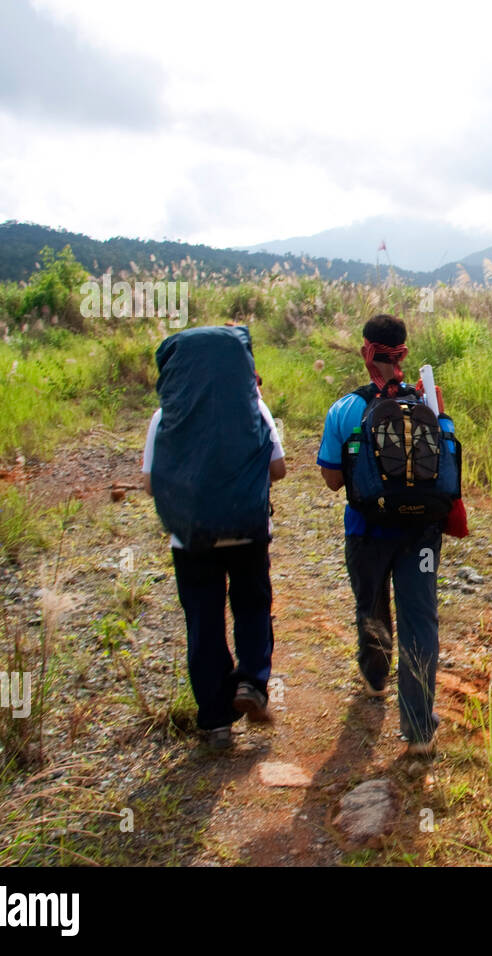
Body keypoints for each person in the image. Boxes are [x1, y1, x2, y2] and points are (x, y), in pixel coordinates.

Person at [317, 314, 465, 758]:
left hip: (367, 532)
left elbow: (331, 480)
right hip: (420, 534)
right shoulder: (429, 403)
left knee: (372, 606)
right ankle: (419, 729)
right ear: (402, 352)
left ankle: (375, 679)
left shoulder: (345, 409)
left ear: (367, 352)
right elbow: (447, 467)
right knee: (420, 621)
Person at [143, 346, 286, 751]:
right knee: (253, 606)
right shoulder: (254, 408)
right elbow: (278, 469)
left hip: (191, 539)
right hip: (247, 531)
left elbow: (151, 484)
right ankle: (252, 683)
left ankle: (216, 723)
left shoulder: (164, 416)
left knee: (203, 622)